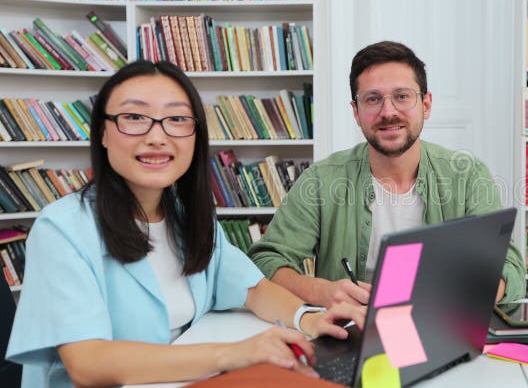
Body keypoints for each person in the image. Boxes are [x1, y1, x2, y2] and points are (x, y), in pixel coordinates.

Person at [6, 61, 364, 388]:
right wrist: (236, 353)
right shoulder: (61, 229)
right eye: (134, 117)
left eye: (177, 119)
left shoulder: (187, 213)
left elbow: (253, 289)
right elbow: (87, 363)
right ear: (103, 132)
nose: (157, 136)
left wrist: (308, 319)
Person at [249, 41, 526, 308]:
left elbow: (508, 267)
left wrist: (463, 295)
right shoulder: (321, 180)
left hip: (441, 327)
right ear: (356, 112)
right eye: (373, 99)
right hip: (347, 329)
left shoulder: (468, 176)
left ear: (426, 105)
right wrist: (321, 291)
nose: (388, 112)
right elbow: (267, 259)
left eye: (402, 96)